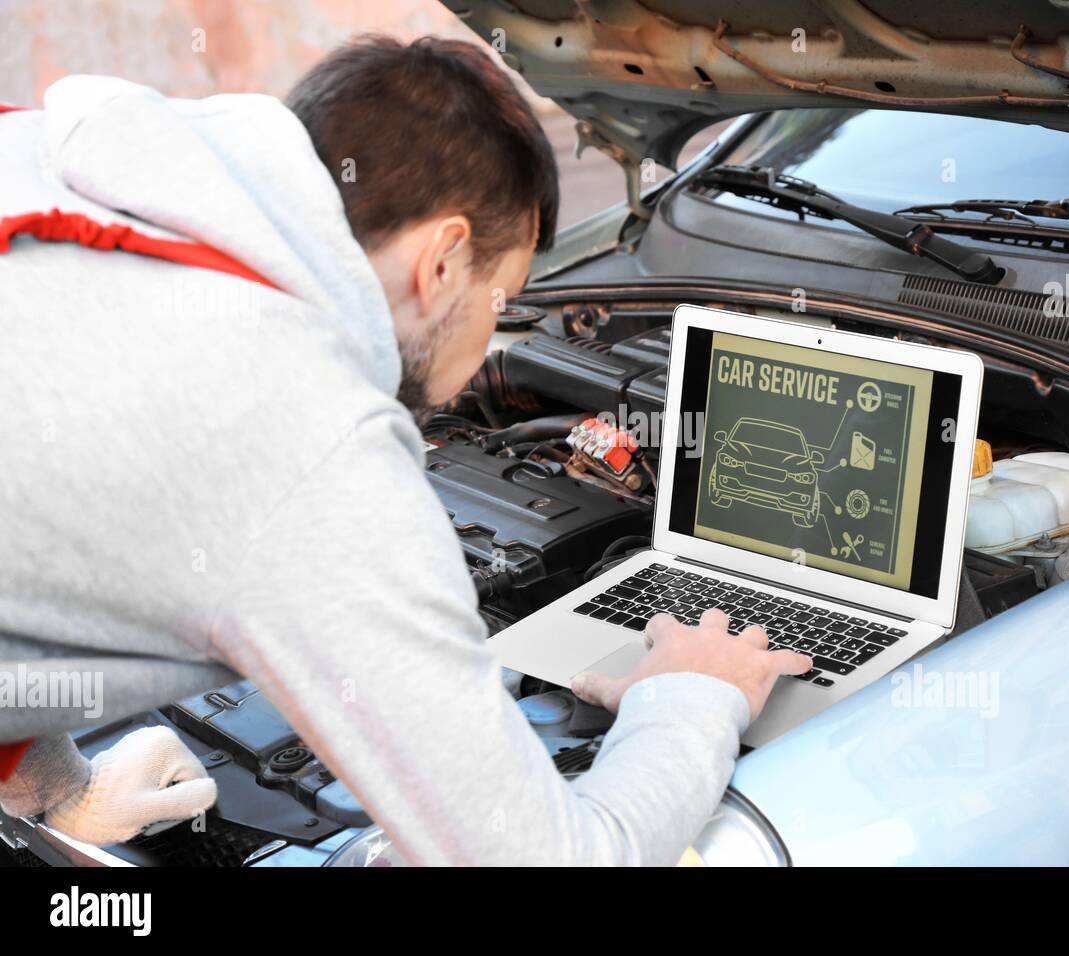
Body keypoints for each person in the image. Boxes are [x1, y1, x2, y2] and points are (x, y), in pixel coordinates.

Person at [0, 35, 808, 864]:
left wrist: (54, 782)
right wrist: (690, 698)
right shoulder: (298, 434)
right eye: (504, 300)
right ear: (443, 260)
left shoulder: (43, 152)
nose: (495, 334)